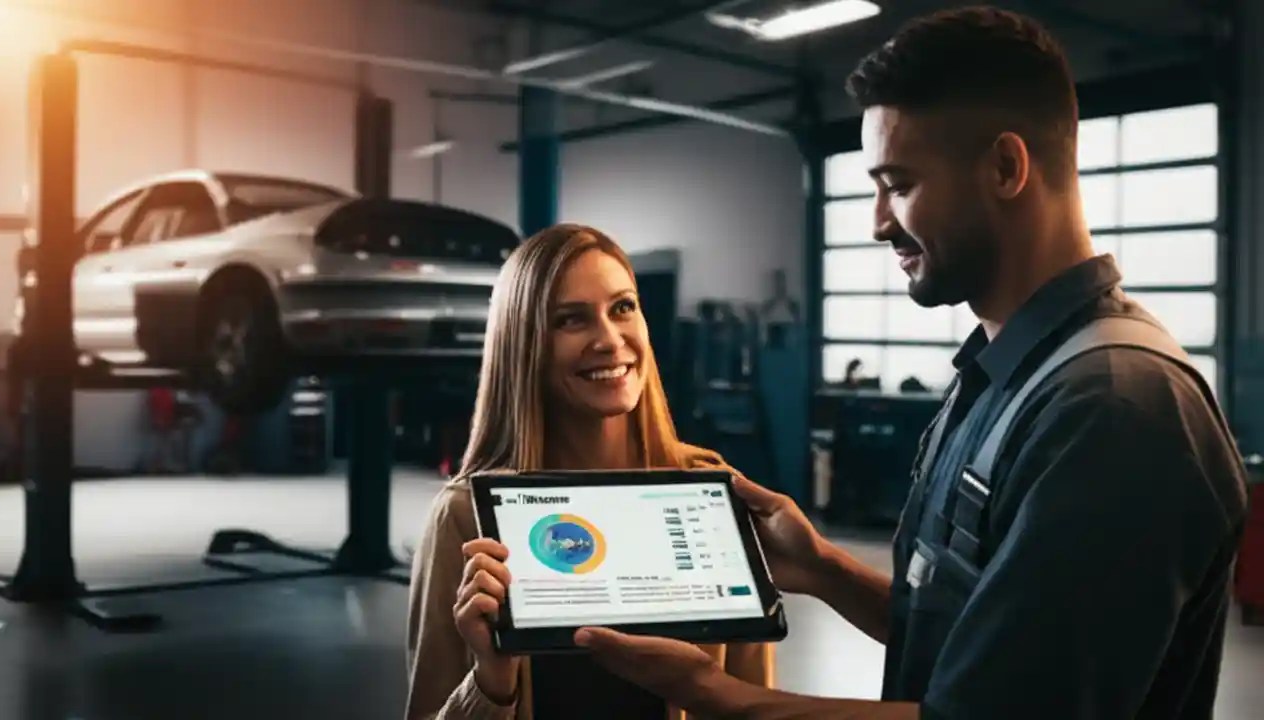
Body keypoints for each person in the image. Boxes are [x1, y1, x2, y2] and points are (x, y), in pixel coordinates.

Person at [562, 7, 1250, 719]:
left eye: (899, 183)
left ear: (1007, 168)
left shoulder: (1116, 412)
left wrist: (708, 691)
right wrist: (824, 568)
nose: (877, 220)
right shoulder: (1001, 379)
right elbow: (980, 647)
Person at [404, 224, 774, 720]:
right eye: (571, 320)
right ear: (525, 344)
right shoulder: (464, 516)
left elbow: (758, 703)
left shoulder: (708, 486)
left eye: (623, 307)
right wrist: (489, 684)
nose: (609, 339)